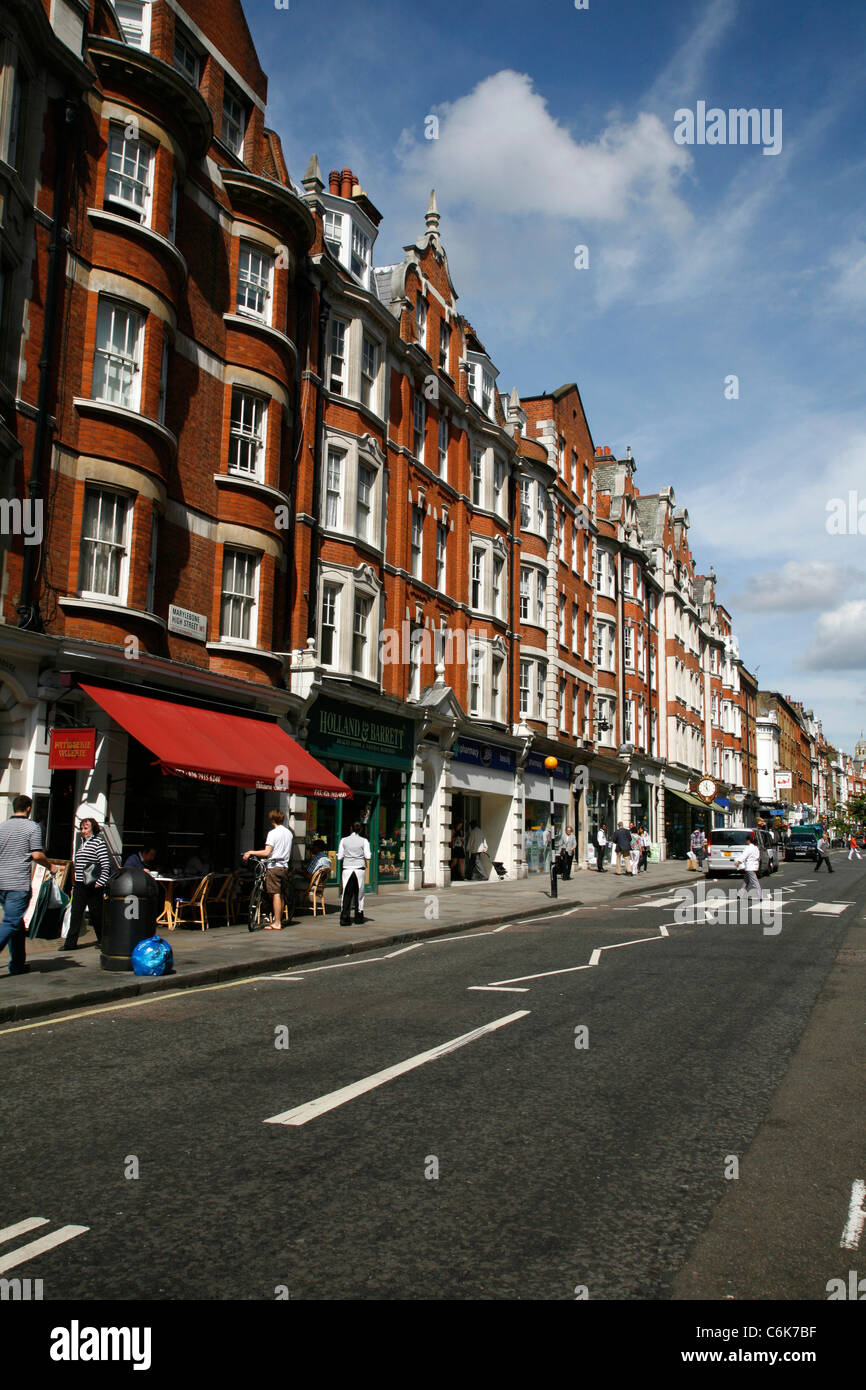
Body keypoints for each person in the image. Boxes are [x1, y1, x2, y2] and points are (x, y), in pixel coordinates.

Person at [0, 794, 54, 976]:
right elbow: (37, 855)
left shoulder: (2, 826)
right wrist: (51, 867)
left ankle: (17, 965)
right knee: (10, 922)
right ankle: (16, 964)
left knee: (16, 922)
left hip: (2, 883)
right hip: (18, 883)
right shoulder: (33, 827)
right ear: (29, 808)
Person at [63, 817, 113, 951]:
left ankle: (103, 940)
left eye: (86, 828)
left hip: (93, 884)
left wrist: (100, 882)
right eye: (82, 828)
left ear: (93, 829)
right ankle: (70, 943)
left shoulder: (98, 842)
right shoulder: (82, 843)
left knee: (96, 914)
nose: (83, 831)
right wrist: (74, 885)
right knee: (76, 913)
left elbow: (105, 864)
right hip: (80, 884)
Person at [243, 809, 294, 930]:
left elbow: (267, 852)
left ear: (272, 820)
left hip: (274, 866)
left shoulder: (273, 833)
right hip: (284, 866)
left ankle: (277, 922)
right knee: (279, 893)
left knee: (275, 894)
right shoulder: (289, 833)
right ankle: (278, 920)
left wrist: (250, 852)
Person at [337, 821, 371, 924]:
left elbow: (339, 857)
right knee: (359, 894)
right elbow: (368, 856)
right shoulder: (364, 841)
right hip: (359, 869)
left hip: (347, 869)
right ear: (361, 830)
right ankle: (358, 917)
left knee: (346, 893)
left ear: (351, 828)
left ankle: (344, 917)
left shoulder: (343, 840)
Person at [737, 833, 763, 904]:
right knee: (746, 881)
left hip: (750, 867)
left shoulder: (748, 848)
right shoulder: (756, 848)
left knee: (755, 882)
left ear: (748, 841)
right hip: (754, 866)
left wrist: (738, 862)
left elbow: (744, 855)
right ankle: (740, 894)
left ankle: (760, 896)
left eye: (746, 840)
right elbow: (758, 857)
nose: (746, 842)